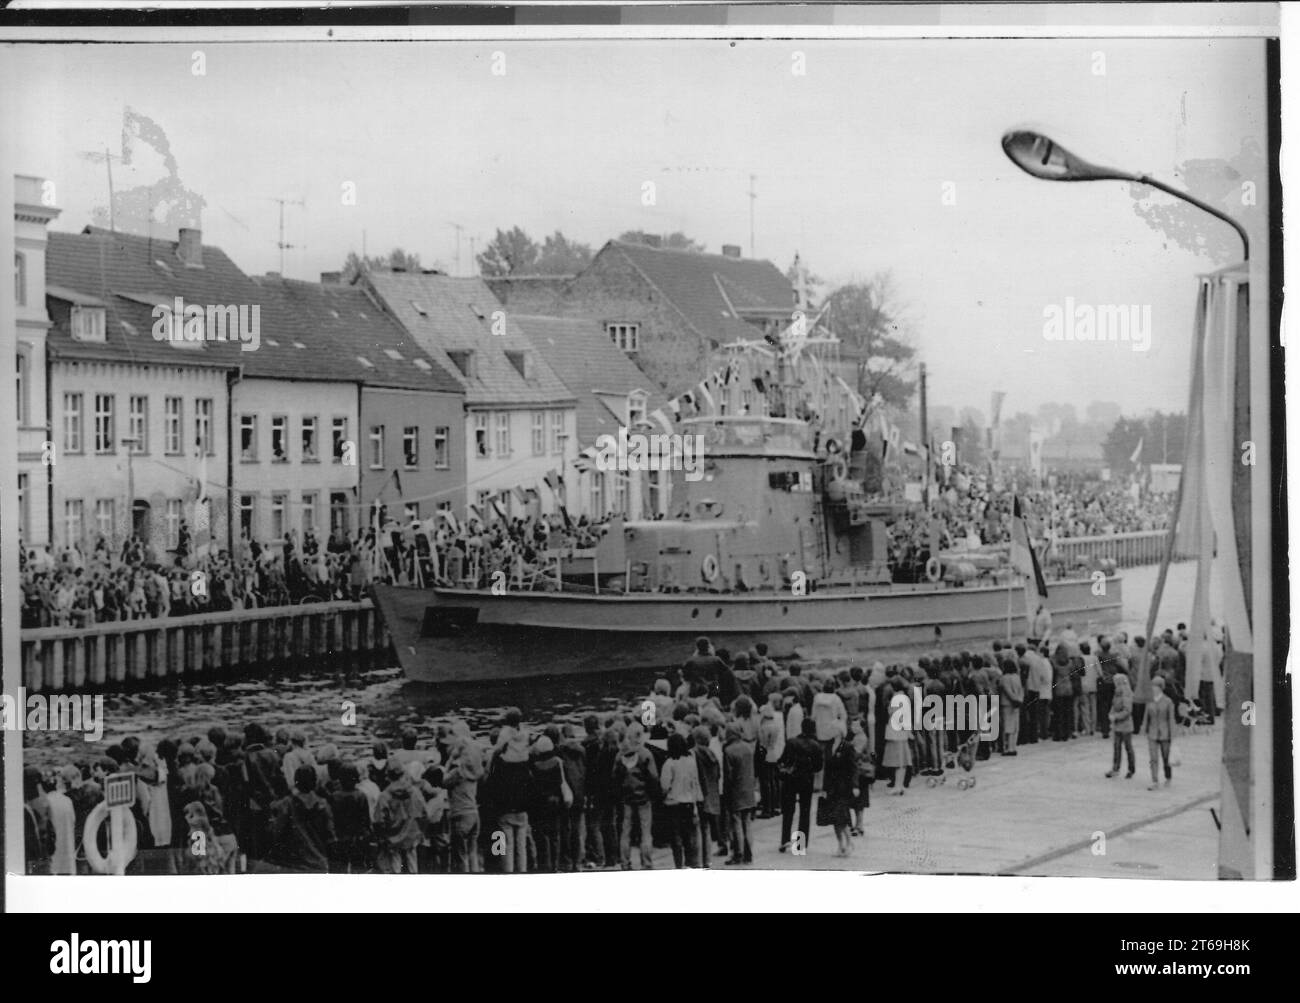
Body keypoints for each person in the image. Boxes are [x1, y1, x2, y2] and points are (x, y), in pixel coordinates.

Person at [267, 764, 336, 873]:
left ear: (296, 782)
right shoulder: (323, 804)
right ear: (315, 782)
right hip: (319, 862)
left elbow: (276, 831)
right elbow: (330, 835)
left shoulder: (286, 804)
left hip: (294, 863)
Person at [613, 722, 658, 870]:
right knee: (646, 832)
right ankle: (646, 862)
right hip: (644, 798)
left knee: (625, 832)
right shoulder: (645, 754)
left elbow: (615, 777)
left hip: (627, 798)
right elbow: (653, 777)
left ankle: (625, 863)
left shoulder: (620, 755)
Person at [373, 759, 427, 874]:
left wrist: (382, 837)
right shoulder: (415, 792)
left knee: (395, 867)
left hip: (393, 836)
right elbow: (424, 813)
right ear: (403, 773)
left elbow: (379, 820)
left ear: (388, 776)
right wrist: (421, 831)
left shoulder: (384, 795)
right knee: (413, 864)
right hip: (412, 833)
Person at [778, 718, 823, 853]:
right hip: (806, 781)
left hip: (790, 780)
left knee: (788, 811)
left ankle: (785, 839)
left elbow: (782, 760)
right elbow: (818, 767)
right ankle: (800, 844)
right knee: (804, 812)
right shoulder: (816, 746)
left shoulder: (791, 742)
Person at [660, 732, 702, 868]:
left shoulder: (669, 763)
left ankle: (678, 864)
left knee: (676, 838)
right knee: (688, 836)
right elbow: (695, 782)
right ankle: (690, 863)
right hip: (688, 802)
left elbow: (665, 785)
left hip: (673, 803)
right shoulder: (691, 761)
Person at [443, 735, 484, 874]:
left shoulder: (458, 772)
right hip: (474, 814)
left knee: (461, 856)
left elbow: (444, 781)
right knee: (473, 853)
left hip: (460, 815)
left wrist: (450, 760)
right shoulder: (476, 771)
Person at [821, 721, 859, 857]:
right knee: (835, 820)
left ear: (838, 731)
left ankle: (848, 842)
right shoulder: (828, 746)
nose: (830, 730)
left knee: (841, 817)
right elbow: (826, 769)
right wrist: (824, 788)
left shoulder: (847, 747)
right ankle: (840, 844)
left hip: (843, 787)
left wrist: (855, 786)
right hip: (832, 788)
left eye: (832, 728)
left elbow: (853, 768)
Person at [722, 720, 756, 865]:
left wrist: (726, 793)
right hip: (748, 790)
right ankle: (749, 853)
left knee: (736, 822)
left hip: (736, 791)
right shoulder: (748, 748)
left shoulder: (728, 751)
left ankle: (738, 853)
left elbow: (728, 776)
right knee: (747, 822)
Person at [692, 725, 722, 868]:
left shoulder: (694, 754)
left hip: (700, 796)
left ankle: (699, 861)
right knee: (707, 830)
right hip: (712, 797)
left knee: (699, 830)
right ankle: (707, 860)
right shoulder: (712, 754)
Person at [1143, 676, 1175, 790]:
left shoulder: (1168, 701)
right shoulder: (1150, 700)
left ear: (1161, 688)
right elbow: (1146, 716)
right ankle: (1154, 780)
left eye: (1155, 686)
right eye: (1152, 686)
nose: (1153, 689)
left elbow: (1171, 719)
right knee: (1153, 758)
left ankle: (1168, 777)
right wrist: (1144, 729)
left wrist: (1172, 735)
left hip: (1165, 733)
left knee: (1166, 757)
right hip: (1152, 732)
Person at [882, 680, 914, 794]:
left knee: (897, 762)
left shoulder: (895, 698)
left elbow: (891, 713)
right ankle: (900, 785)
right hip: (903, 732)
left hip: (894, 732)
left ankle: (897, 786)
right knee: (902, 761)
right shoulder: (905, 698)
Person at [757, 692, 785, 818]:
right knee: (774, 781)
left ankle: (767, 808)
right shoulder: (775, 725)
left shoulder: (764, 727)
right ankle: (776, 805)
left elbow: (762, 743)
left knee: (766, 782)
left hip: (766, 754)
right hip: (774, 753)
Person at [1105, 673, 1137, 779]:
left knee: (1128, 747)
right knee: (1116, 747)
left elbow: (1127, 710)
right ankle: (1115, 768)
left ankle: (1131, 769)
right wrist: (1111, 714)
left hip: (1126, 726)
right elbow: (1114, 706)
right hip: (1117, 725)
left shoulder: (1126, 693)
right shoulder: (1117, 693)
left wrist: (1116, 716)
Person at [998, 657, 1023, 756]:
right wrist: (1019, 700)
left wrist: (1013, 700)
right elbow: (1021, 690)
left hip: (1007, 704)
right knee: (1014, 727)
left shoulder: (1004, 678)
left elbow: (1007, 691)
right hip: (1016, 703)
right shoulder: (1017, 677)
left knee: (1007, 727)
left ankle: (1007, 748)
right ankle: (1013, 747)